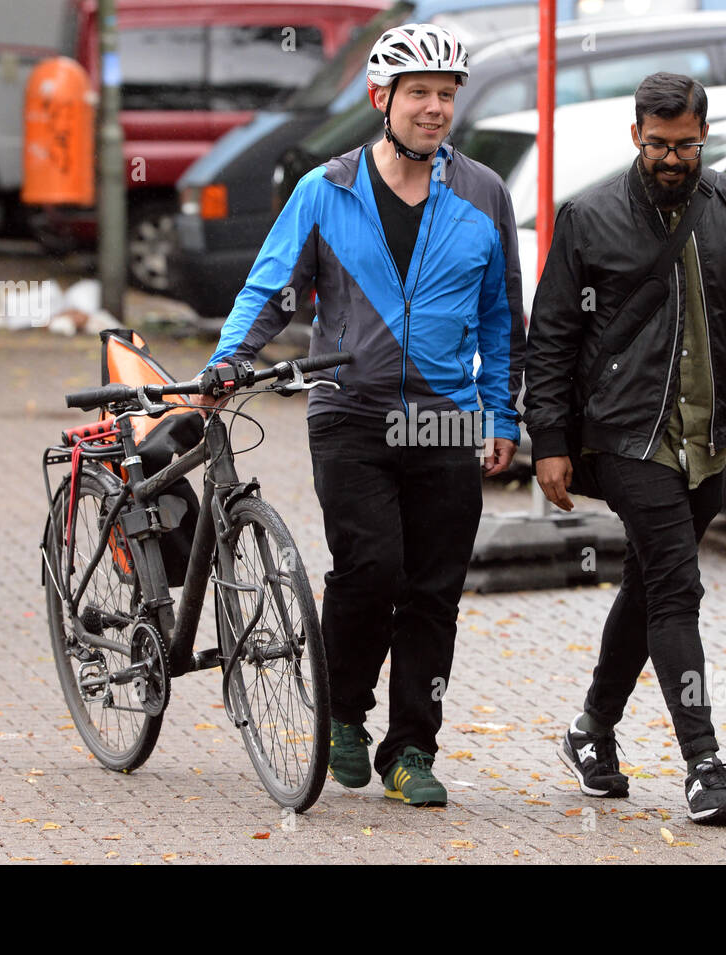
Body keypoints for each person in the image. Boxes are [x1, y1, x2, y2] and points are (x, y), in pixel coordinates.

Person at [199, 23, 524, 808]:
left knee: (434, 588)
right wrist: (231, 356)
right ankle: (345, 711)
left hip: (445, 416)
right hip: (351, 410)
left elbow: (502, 317)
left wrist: (501, 414)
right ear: (381, 100)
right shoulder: (327, 190)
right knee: (372, 568)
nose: (435, 109)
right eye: (419, 94)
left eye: (446, 96)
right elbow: (273, 287)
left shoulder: (483, 193)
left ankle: (411, 747)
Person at [524, 72, 726, 825]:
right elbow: (551, 336)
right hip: (625, 435)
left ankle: (589, 731)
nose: (670, 158)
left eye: (683, 144)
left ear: (704, 133)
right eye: (656, 143)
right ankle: (704, 764)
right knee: (679, 588)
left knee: (647, 586)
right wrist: (549, 439)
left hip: (707, 440)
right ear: (634, 133)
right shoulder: (589, 215)